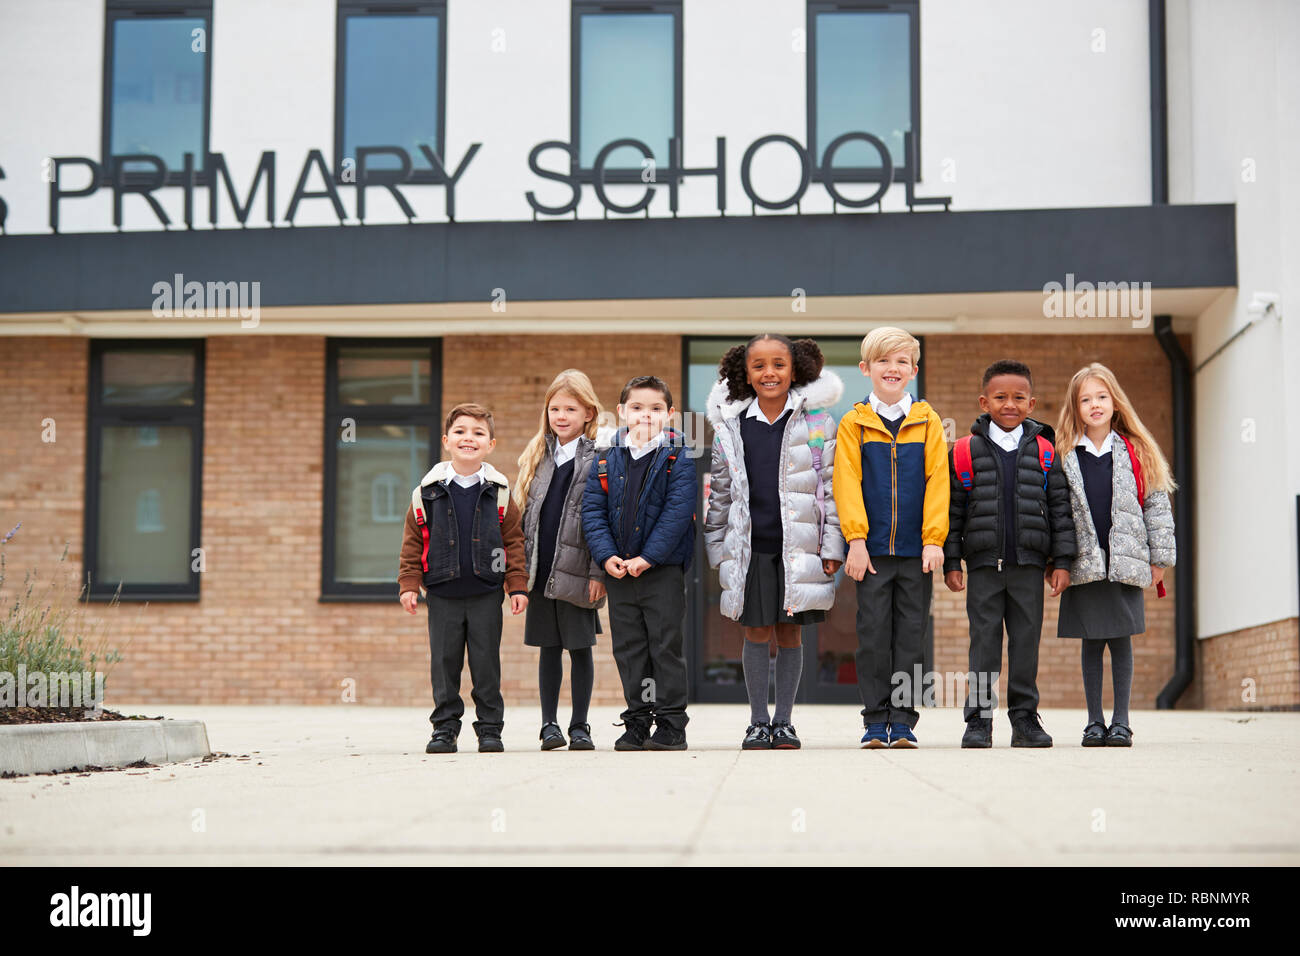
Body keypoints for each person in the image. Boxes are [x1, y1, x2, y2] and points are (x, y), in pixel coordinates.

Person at [704, 334, 844, 750]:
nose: (770, 373)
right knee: (756, 631)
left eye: (779, 364)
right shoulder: (731, 425)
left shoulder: (816, 423)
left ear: (794, 370)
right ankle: (757, 722)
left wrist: (833, 544)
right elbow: (721, 493)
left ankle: (783, 722)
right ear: (745, 373)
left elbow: (832, 487)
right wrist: (717, 547)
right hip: (750, 549)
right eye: (759, 365)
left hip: (798, 548)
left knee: (790, 635)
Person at [943, 360, 1075, 748]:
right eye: (1000, 397)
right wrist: (953, 562)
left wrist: (1062, 562)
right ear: (985, 402)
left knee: (1025, 644)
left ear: (1031, 403)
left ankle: (1024, 720)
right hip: (983, 567)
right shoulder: (965, 451)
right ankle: (979, 723)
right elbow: (953, 512)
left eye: (1019, 397)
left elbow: (1060, 511)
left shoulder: (1047, 452)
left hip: (1029, 568)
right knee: (983, 644)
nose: (1009, 404)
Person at [833, 327, 949, 749]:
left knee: (910, 640)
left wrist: (934, 539)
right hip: (873, 554)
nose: (892, 369)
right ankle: (873, 720)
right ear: (866, 369)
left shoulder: (928, 421)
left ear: (914, 370)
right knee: (873, 638)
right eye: (883, 361)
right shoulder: (854, 423)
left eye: (901, 361)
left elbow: (939, 482)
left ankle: (902, 722)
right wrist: (856, 541)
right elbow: (847, 482)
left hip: (917, 554)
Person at [1054, 362, 1176, 747]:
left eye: (1101, 397)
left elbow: (1157, 506)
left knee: (1121, 641)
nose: (1094, 405)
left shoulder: (1136, 450)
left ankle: (1121, 722)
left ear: (1115, 402)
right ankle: (1094, 723)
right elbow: (1056, 511)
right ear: (1075, 408)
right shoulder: (1064, 453)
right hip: (1085, 563)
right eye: (1085, 399)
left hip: (1125, 561)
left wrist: (1159, 559)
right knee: (1092, 642)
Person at [398, 403, 527, 755]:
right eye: (460, 432)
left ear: (491, 444)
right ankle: (444, 729)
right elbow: (412, 542)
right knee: (444, 664)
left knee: (486, 664)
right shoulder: (427, 492)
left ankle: (490, 729)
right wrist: (409, 585)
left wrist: (516, 585)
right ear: (446, 440)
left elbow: (514, 542)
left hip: (486, 593)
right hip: (441, 593)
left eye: (478, 433)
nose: (468, 438)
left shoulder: (499, 491)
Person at [580, 375, 697, 751]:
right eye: (637, 407)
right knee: (630, 648)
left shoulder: (679, 454)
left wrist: (648, 558)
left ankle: (671, 724)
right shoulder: (605, 456)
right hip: (619, 571)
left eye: (655, 408)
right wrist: (606, 555)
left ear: (670, 414)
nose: (646, 415)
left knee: (664, 645)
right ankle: (637, 720)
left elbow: (678, 513)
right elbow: (592, 511)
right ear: (621, 412)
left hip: (660, 571)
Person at [515, 370, 607, 751]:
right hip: (540, 573)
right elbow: (522, 521)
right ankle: (549, 725)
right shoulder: (536, 457)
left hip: (578, 573)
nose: (561, 415)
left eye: (570, 408)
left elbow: (605, 520)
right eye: (555, 408)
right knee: (548, 649)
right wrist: (519, 576)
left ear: (588, 412)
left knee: (580, 649)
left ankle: (580, 726)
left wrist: (598, 570)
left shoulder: (599, 458)